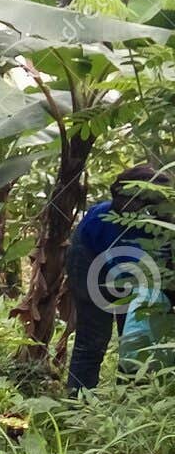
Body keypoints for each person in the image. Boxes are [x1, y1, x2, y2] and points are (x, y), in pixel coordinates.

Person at [67, 165, 174, 391]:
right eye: (123, 198)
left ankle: (131, 397)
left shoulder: (164, 227)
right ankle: (78, 401)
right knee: (93, 337)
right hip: (90, 260)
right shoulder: (101, 220)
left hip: (141, 278)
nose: (126, 206)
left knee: (137, 338)